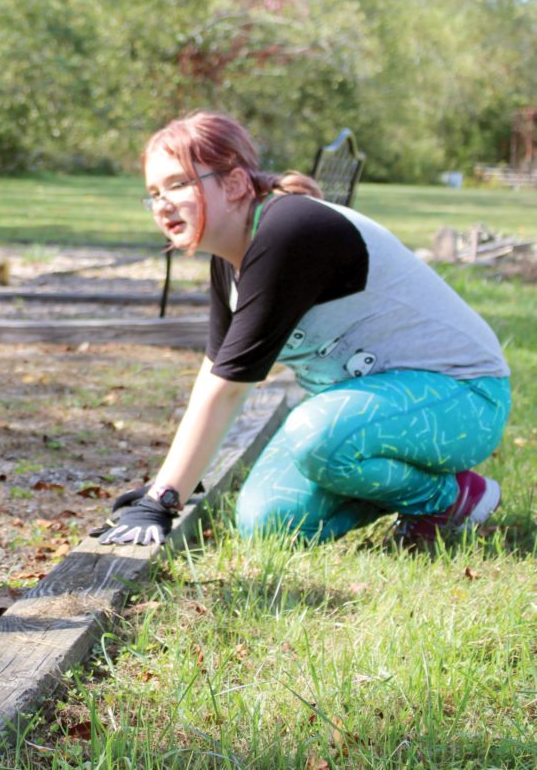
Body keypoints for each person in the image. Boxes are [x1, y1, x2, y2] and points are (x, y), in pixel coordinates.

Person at [98, 111, 511, 546]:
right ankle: (401, 485)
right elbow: (214, 375)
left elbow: (231, 390)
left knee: (316, 437)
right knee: (268, 523)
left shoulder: (289, 230)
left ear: (235, 183)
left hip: (468, 400)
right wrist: (169, 484)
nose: (162, 204)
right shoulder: (229, 260)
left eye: (179, 184)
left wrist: (163, 502)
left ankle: (447, 500)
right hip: (371, 417)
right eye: (153, 193)